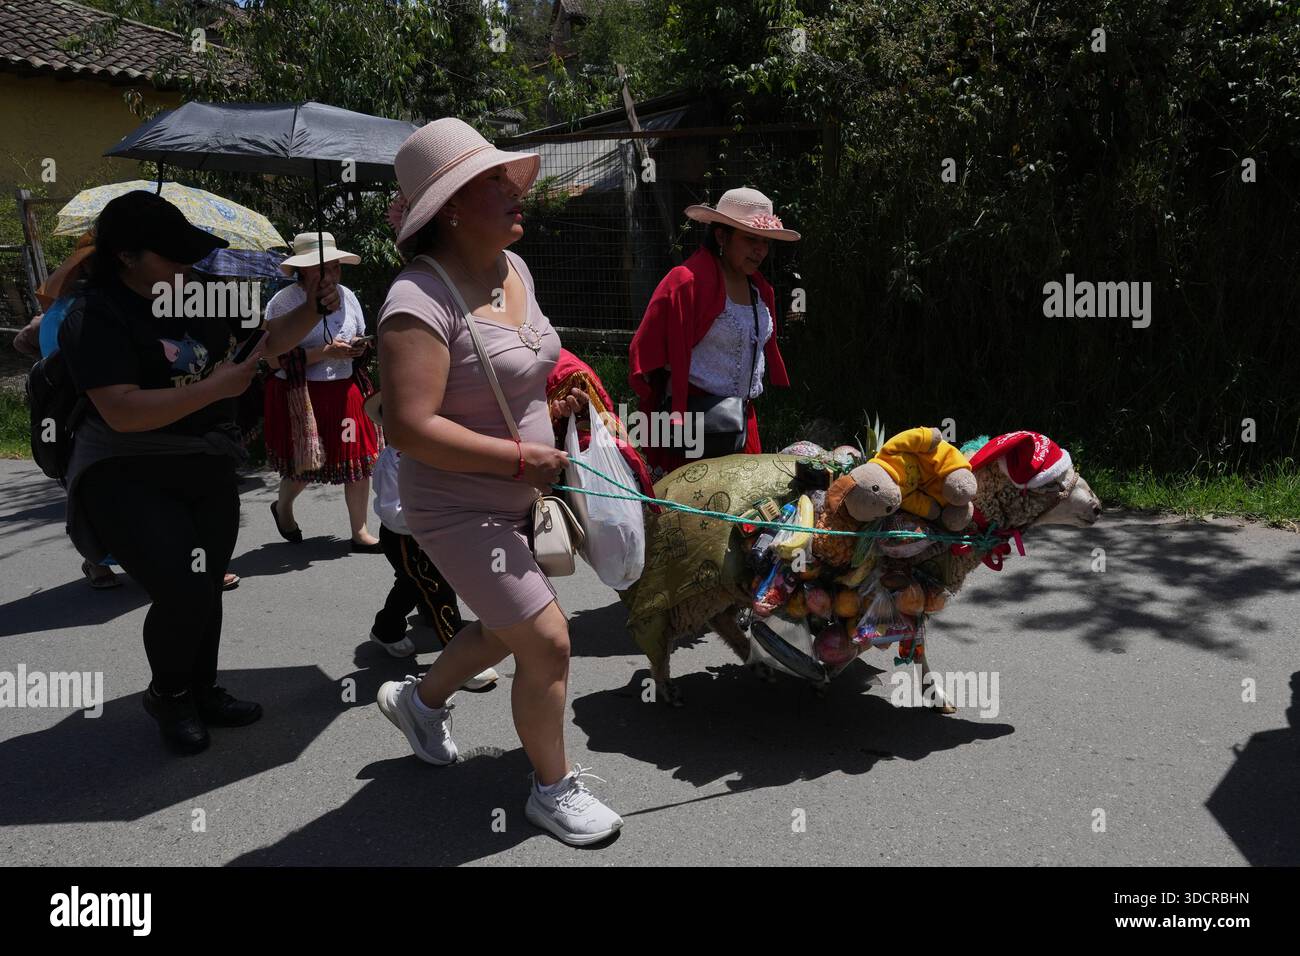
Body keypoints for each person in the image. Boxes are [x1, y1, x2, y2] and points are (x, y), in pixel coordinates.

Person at [374, 117, 623, 846]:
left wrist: (554, 408)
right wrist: (522, 459)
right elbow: (410, 427)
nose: (517, 193)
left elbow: (515, 372)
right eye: (495, 183)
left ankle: (419, 704)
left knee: (499, 627)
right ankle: (552, 791)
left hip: (523, 496)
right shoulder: (416, 299)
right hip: (456, 506)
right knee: (546, 642)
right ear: (449, 204)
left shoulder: (516, 270)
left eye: (511, 180)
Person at [58, 190, 330, 754]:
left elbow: (267, 342)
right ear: (127, 256)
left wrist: (313, 306)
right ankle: (169, 695)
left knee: (206, 585)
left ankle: (202, 688)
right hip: (125, 468)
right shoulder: (95, 314)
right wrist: (213, 388)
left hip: (203, 460)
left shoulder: (204, 293)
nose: (187, 265)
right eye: (171, 254)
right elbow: (121, 409)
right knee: (181, 587)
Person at [628, 186, 800, 481]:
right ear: (721, 236)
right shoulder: (687, 282)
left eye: (765, 242)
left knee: (739, 516)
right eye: (750, 239)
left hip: (741, 423)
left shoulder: (759, 289)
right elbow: (647, 352)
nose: (760, 250)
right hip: (696, 424)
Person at [364, 392, 499, 690]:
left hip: (435, 532)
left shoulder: (433, 451)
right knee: (437, 590)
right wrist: (437, 511)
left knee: (413, 584)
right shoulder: (392, 462)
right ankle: (460, 661)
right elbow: (392, 512)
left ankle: (386, 627)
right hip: (407, 539)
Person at [261, 232, 384, 552]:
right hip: (301, 395)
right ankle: (283, 507)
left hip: (345, 391)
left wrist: (357, 350)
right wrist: (323, 354)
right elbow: (272, 359)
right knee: (304, 466)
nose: (331, 275)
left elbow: (357, 336)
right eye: (322, 268)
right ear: (303, 271)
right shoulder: (283, 303)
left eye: (335, 267)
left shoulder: (348, 296)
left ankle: (360, 531)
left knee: (357, 462)